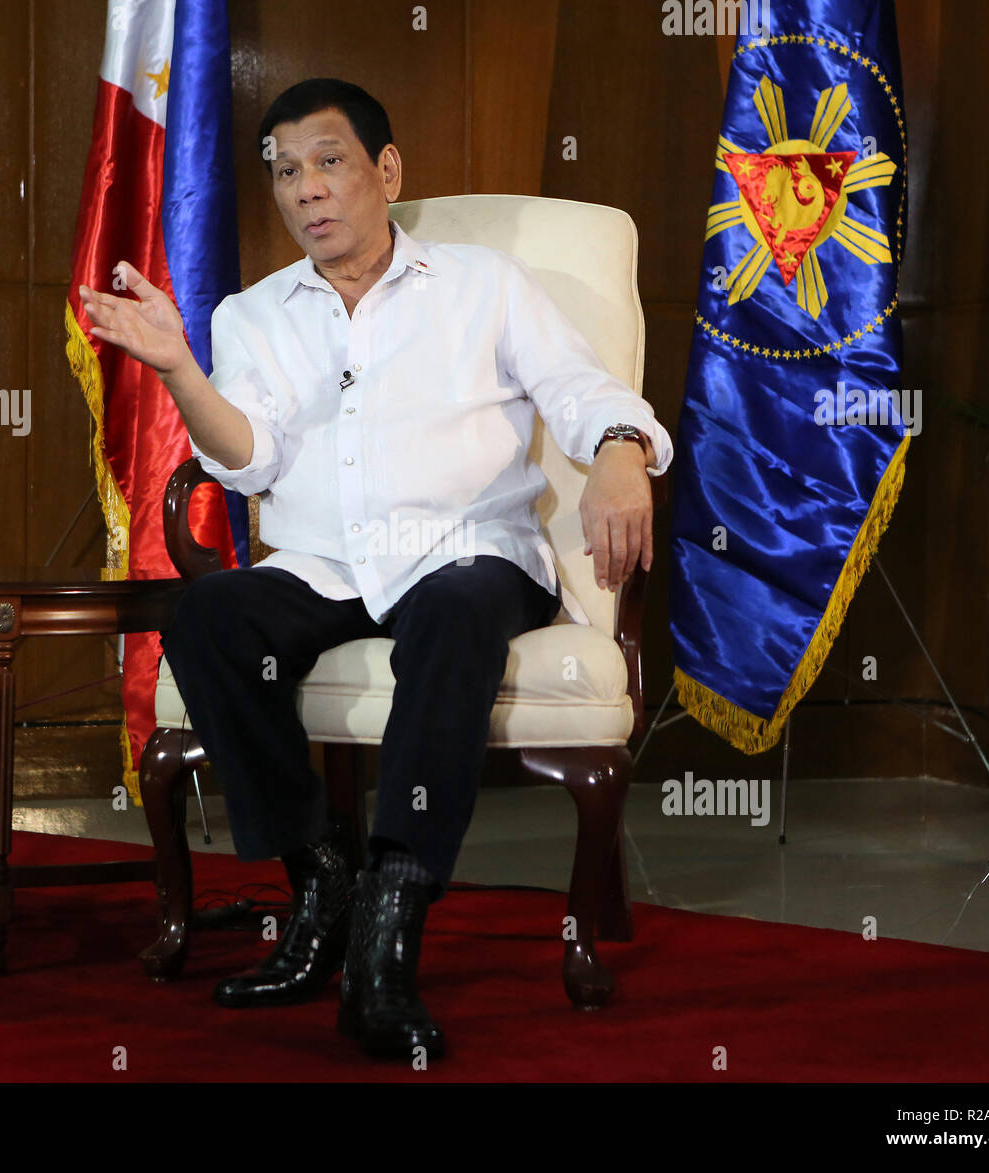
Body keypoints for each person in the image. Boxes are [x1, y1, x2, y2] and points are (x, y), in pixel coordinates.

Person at [78, 77, 672, 1062]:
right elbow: (248, 459)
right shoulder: (254, 316)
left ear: (384, 171)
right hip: (327, 566)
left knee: (450, 610)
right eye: (282, 173)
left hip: (471, 554)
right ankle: (321, 885)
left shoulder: (483, 286)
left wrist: (616, 449)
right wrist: (179, 367)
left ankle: (392, 928)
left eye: (327, 162)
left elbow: (581, 390)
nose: (305, 189)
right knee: (209, 617)